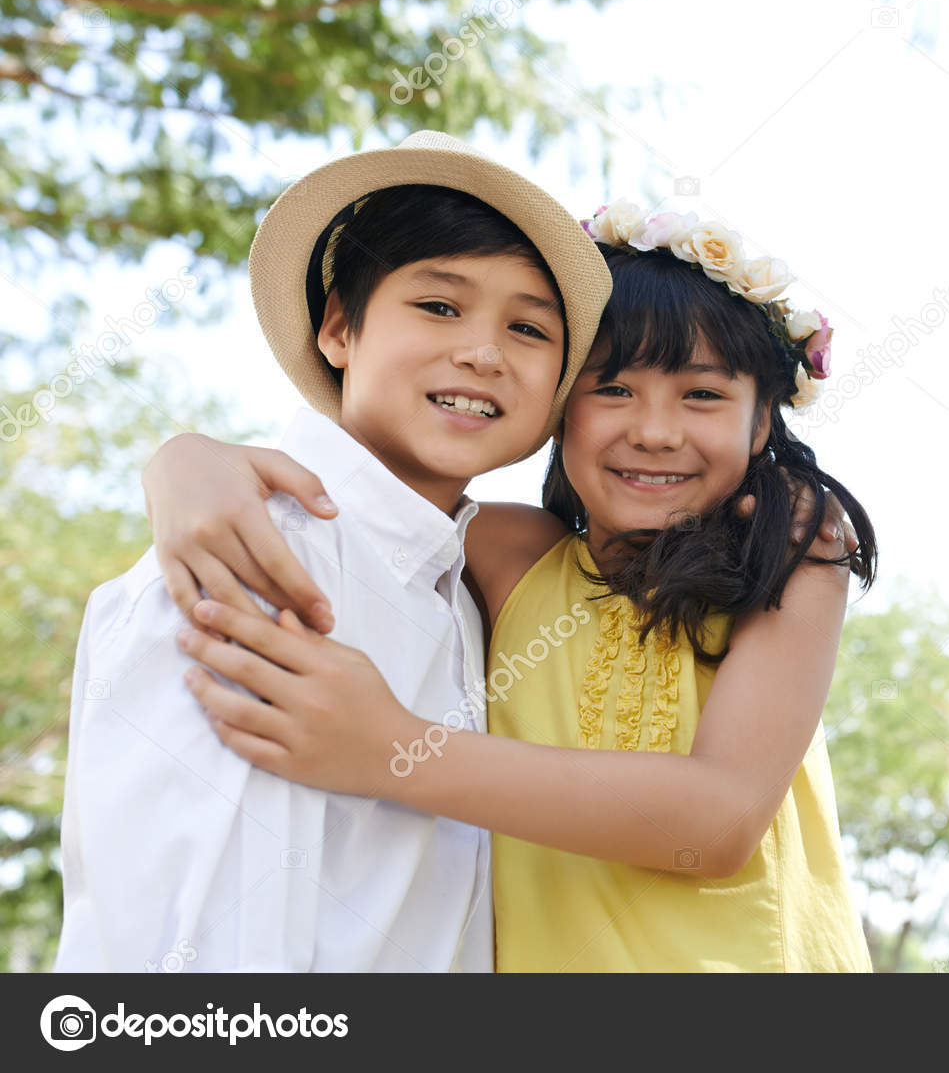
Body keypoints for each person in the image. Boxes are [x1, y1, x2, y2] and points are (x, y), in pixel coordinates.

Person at [150, 202, 880, 970]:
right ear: (559, 412)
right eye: (614, 390)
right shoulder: (510, 556)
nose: (656, 431)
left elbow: (717, 820)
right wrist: (186, 461)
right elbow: (375, 506)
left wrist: (389, 749)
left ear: (762, 423)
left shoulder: (791, 552)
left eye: (702, 395)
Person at [54, 131, 613, 971]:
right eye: (439, 305)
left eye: (530, 329)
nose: (485, 351)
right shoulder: (254, 558)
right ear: (340, 328)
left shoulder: (472, 596)